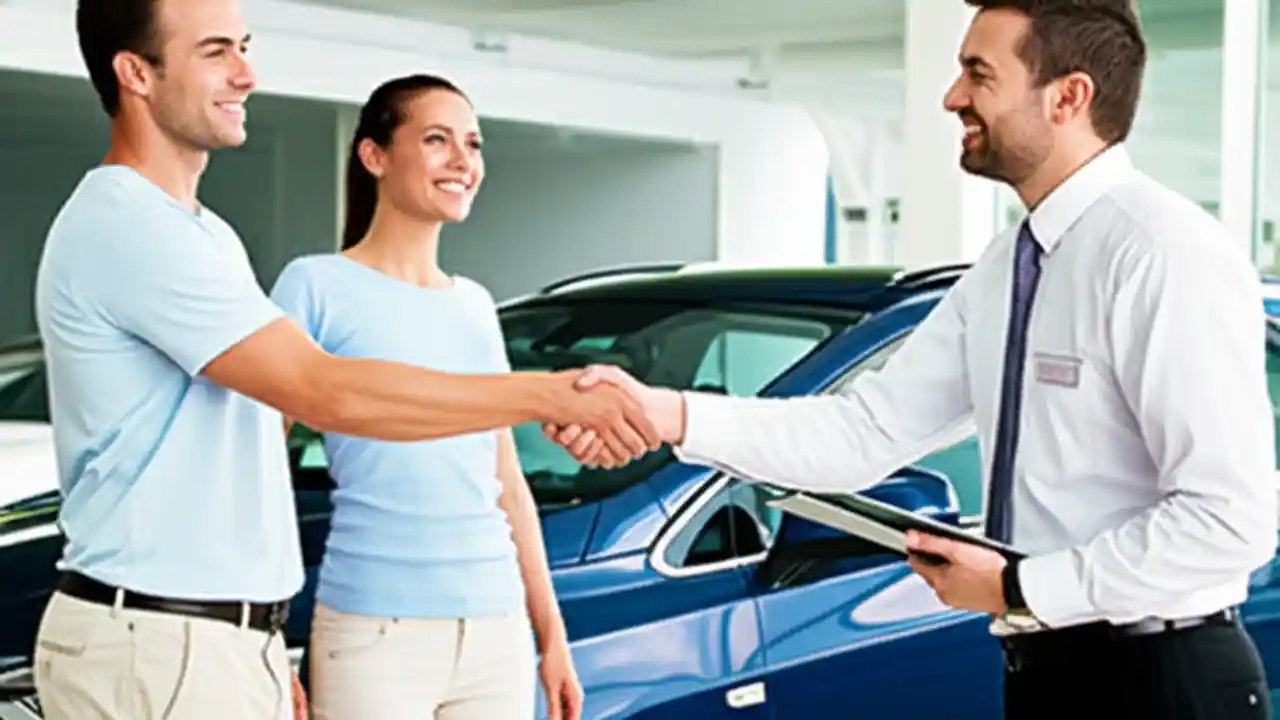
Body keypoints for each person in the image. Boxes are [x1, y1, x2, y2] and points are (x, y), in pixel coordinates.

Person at [549, 1, 1278, 718]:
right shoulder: (1006, 267)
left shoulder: (1163, 252)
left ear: (1069, 96)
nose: (951, 97)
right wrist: (667, 412)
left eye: (978, 74)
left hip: (1164, 679)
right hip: (1045, 671)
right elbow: (862, 434)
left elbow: (1229, 520)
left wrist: (1022, 586)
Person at [31, 1, 656, 718]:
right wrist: (549, 396)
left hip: (212, 639)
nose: (246, 73)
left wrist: (265, 645)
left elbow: (259, 451)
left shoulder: (204, 236)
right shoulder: (131, 226)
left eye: (245, 46)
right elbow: (323, 392)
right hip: (167, 639)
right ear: (135, 73)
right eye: (215, 52)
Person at [268, 74, 583, 720]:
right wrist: (265, 636)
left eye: (472, 143)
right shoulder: (314, 287)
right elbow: (253, 468)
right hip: (373, 630)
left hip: (496, 633)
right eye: (437, 140)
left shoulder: (473, 304)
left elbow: (507, 482)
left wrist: (551, 637)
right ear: (374, 155)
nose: (463, 161)